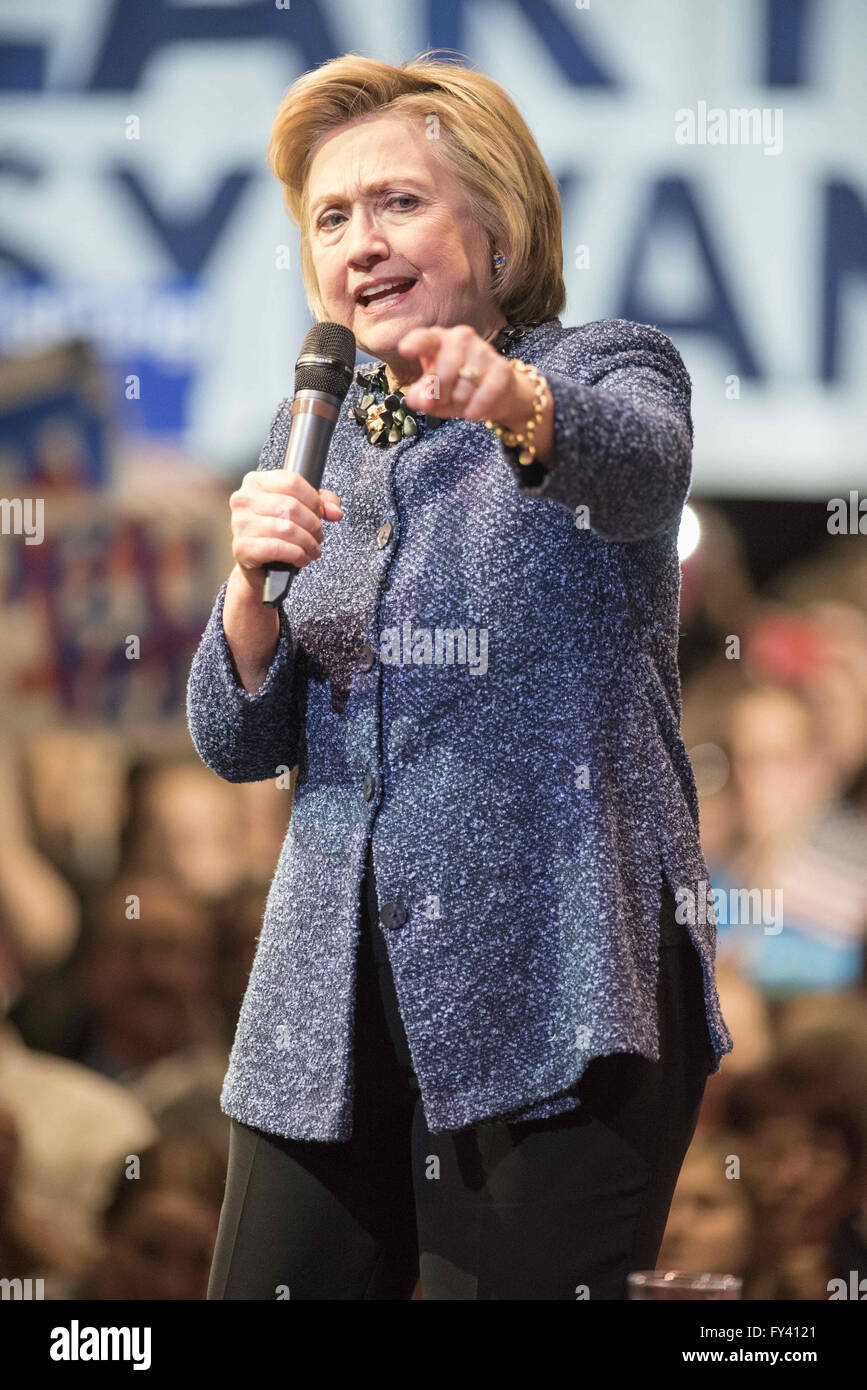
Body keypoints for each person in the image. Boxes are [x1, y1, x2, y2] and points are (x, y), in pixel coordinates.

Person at [186, 51, 733, 1300]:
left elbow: (642, 469)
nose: (359, 243)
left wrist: (517, 400)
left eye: (398, 204)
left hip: (563, 979)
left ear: (497, 230)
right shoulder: (307, 430)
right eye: (331, 217)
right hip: (325, 1004)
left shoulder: (607, 369)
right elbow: (233, 739)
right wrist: (244, 592)